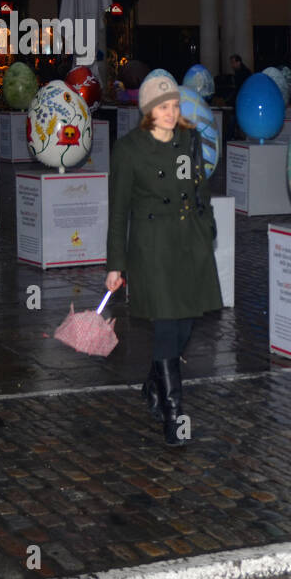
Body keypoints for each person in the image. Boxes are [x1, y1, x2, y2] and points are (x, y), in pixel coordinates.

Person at [106, 72, 223, 447]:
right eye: (163, 107)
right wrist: (116, 264)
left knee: (186, 323)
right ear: (147, 111)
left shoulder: (189, 140)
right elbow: (118, 211)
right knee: (168, 325)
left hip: (188, 242)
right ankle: (174, 415)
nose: (171, 113)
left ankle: (153, 384)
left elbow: (198, 188)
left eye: (174, 106)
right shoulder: (128, 150)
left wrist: (207, 228)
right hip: (152, 248)